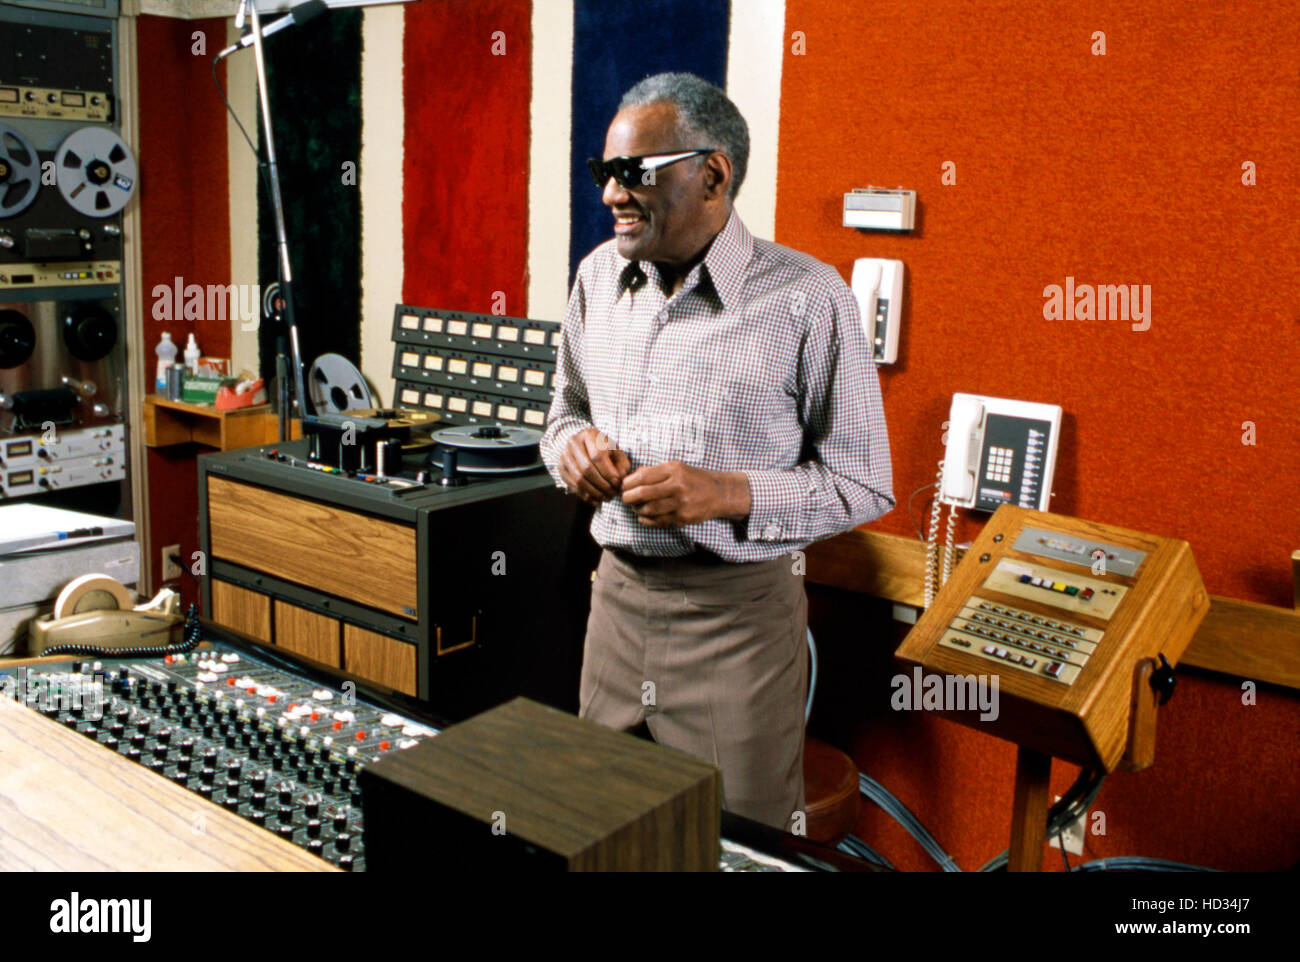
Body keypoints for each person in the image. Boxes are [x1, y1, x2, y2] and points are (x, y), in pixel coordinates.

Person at [540, 72, 893, 832]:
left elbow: (863, 484)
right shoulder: (597, 278)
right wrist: (569, 451)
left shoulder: (808, 297)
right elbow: (562, 415)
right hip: (614, 606)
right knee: (599, 833)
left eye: (632, 173)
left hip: (736, 625)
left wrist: (728, 494)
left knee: (735, 848)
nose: (610, 195)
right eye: (604, 173)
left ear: (713, 174)